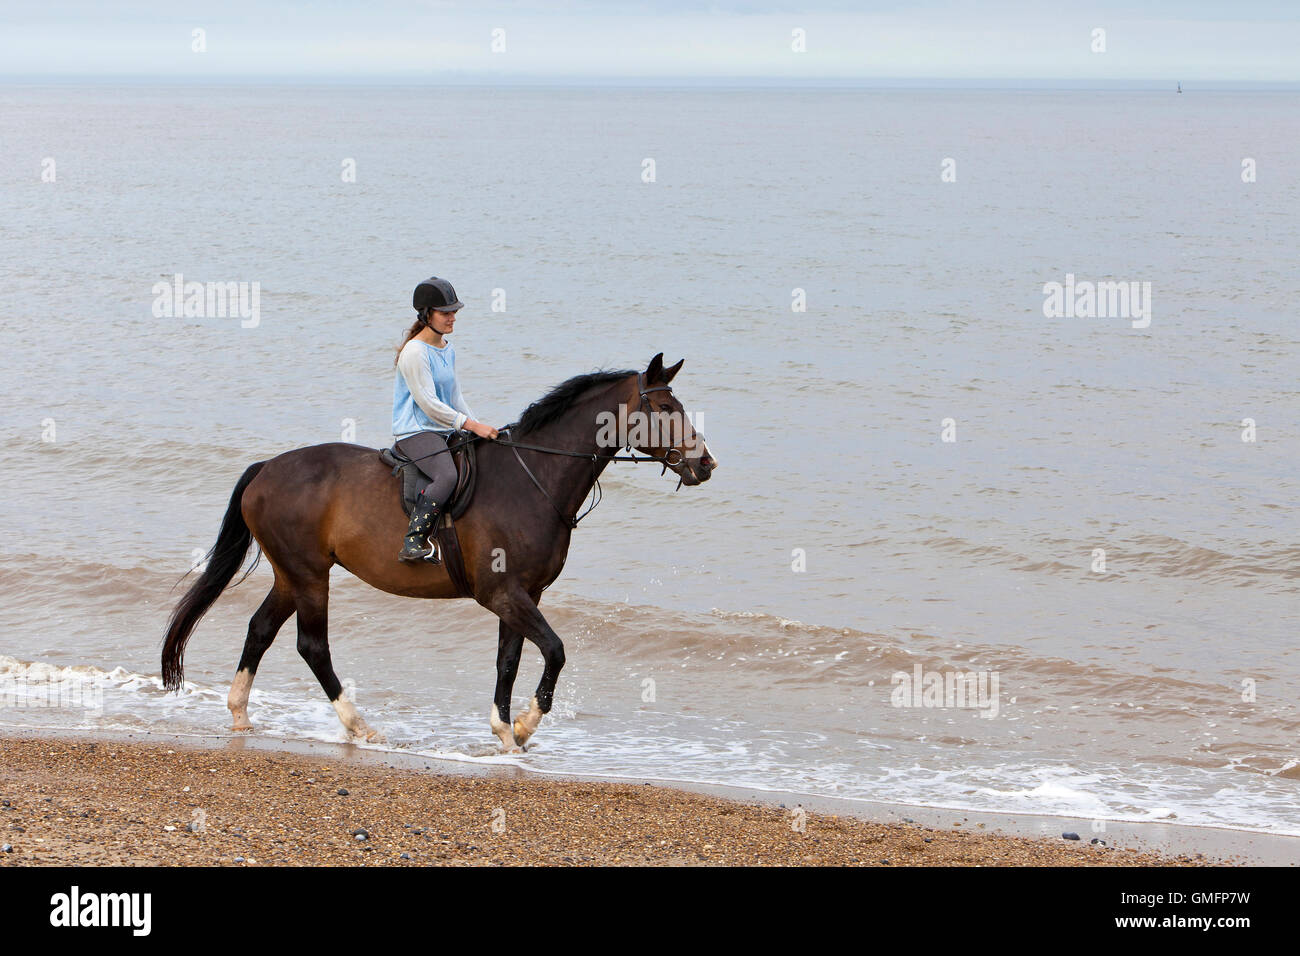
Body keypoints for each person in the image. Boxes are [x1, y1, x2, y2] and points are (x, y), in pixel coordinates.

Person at [392, 276, 499, 563]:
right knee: (447, 475)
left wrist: (478, 428)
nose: (452, 318)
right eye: (445, 313)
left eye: (455, 312)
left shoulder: (446, 348)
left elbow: (454, 397)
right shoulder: (414, 352)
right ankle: (414, 540)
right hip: (416, 431)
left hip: (443, 427)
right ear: (427, 314)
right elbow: (428, 404)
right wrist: (469, 424)